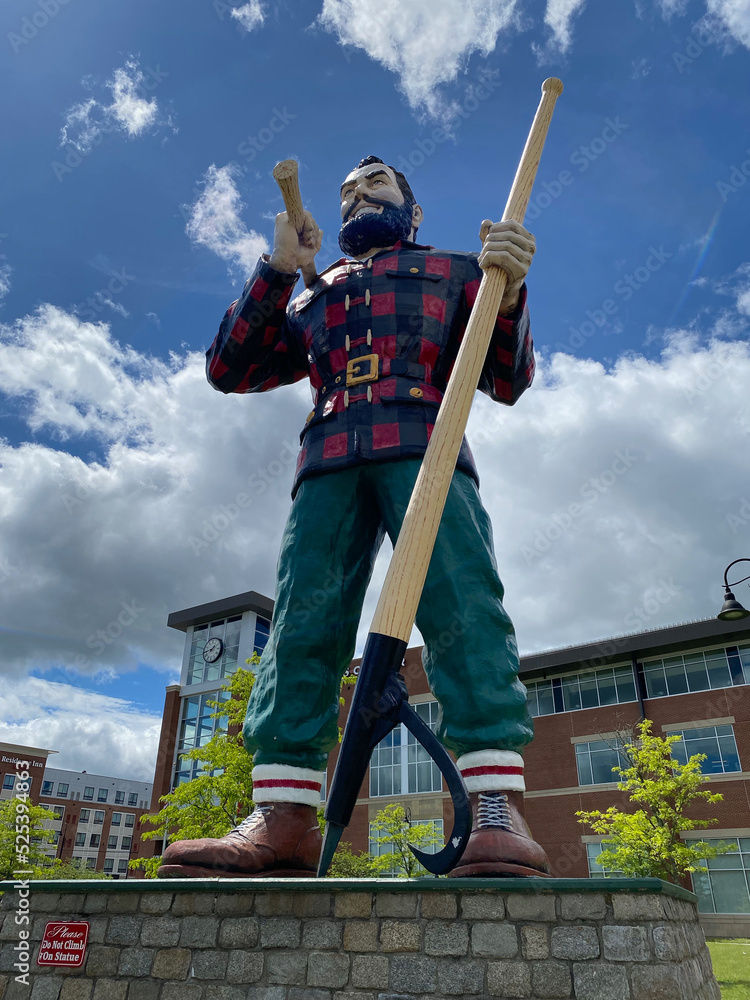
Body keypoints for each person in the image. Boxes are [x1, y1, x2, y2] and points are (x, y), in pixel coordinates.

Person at [158, 156, 550, 879]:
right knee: (303, 624)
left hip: (426, 445)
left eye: (375, 185)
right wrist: (277, 268)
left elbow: (509, 379)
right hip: (329, 454)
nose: (356, 196)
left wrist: (513, 287)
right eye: (346, 191)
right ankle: (283, 819)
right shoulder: (311, 295)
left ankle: (495, 803)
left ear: (414, 210)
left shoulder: (465, 271)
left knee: (463, 605)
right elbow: (229, 368)